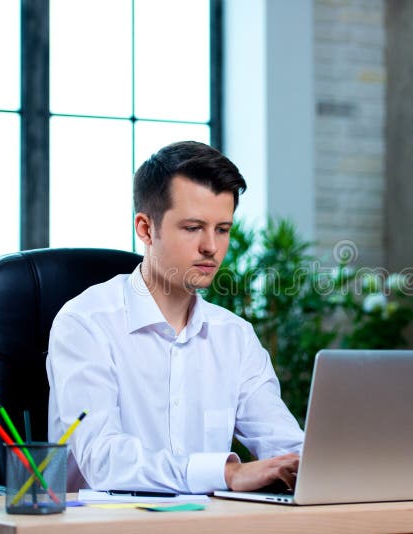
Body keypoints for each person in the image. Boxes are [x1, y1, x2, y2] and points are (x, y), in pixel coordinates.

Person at [46, 141, 304, 494]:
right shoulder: (85, 324)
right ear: (146, 229)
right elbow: (103, 459)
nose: (211, 247)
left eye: (223, 229)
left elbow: (285, 445)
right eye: (193, 227)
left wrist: (322, 467)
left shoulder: (235, 337)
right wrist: (226, 474)